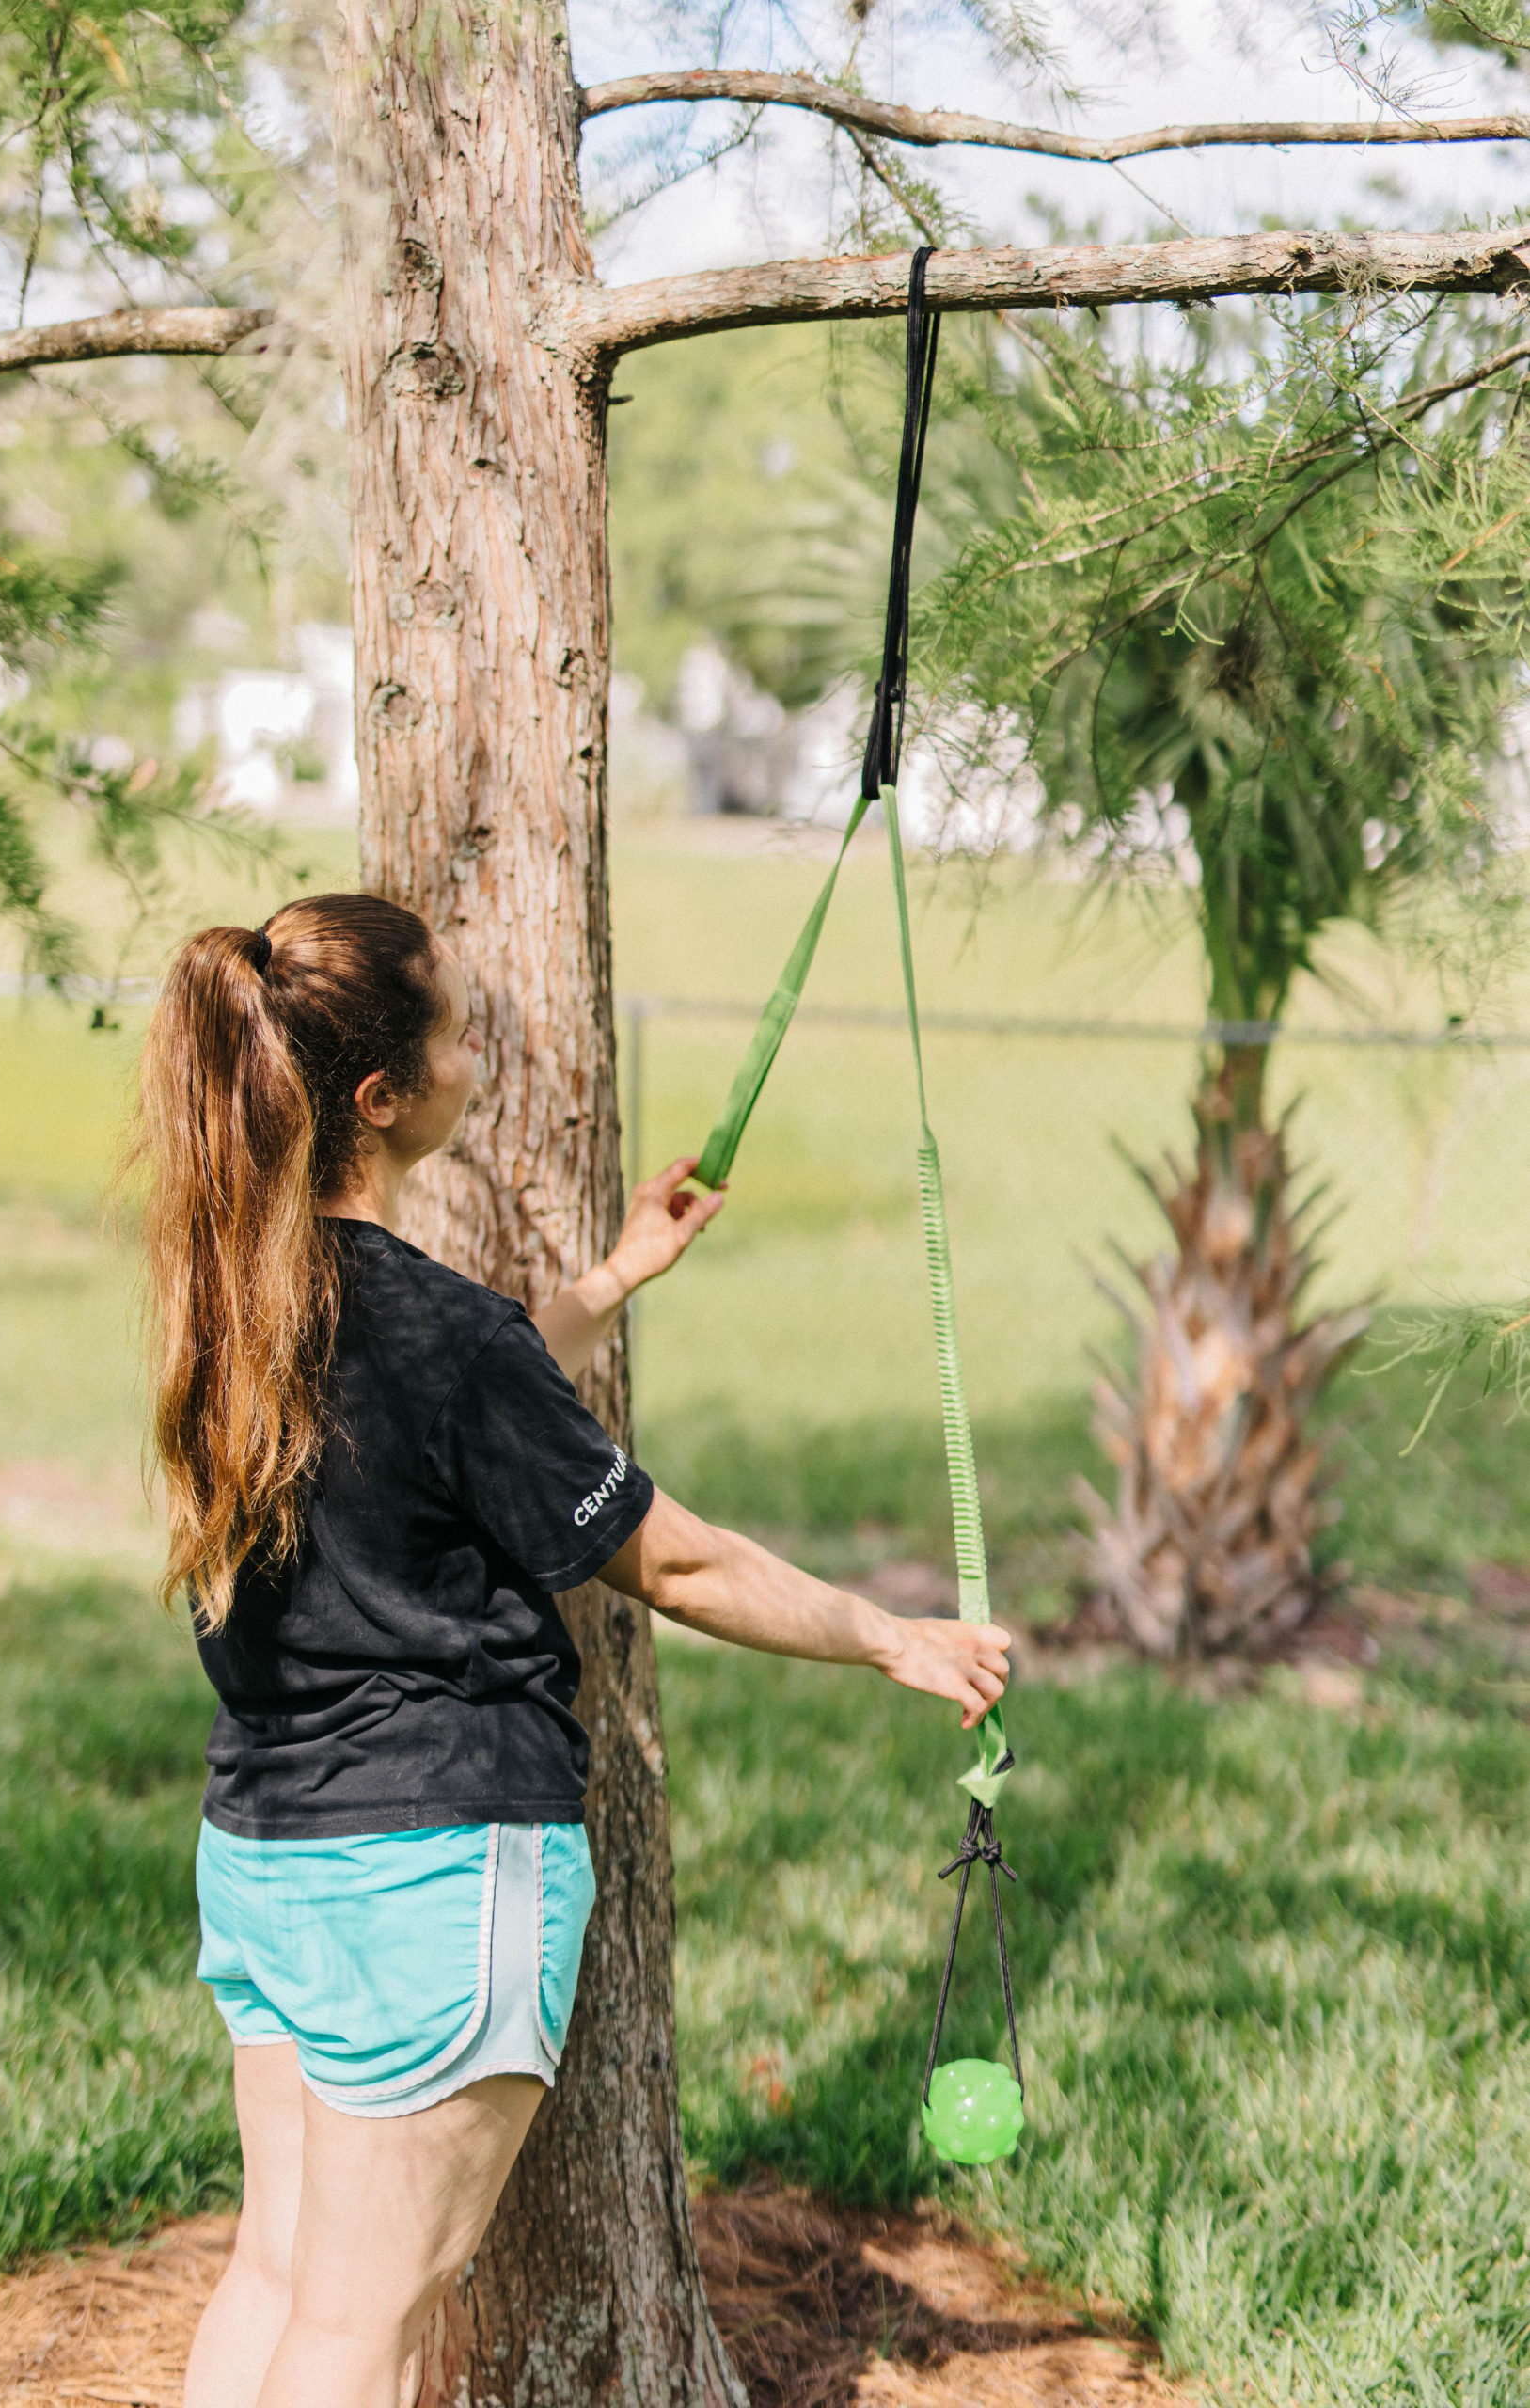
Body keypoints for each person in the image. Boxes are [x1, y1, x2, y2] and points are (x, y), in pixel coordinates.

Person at [136, 891, 1011, 2408]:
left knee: (276, 2285)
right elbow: (668, 1558)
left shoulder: (234, 1301)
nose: (488, 1057)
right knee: (363, 2333)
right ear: (380, 1097)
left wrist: (606, 1285)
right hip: (428, 1876)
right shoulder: (440, 1335)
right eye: (464, 1035)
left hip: (267, 1864)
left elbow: (436, 1414)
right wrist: (894, 1638)